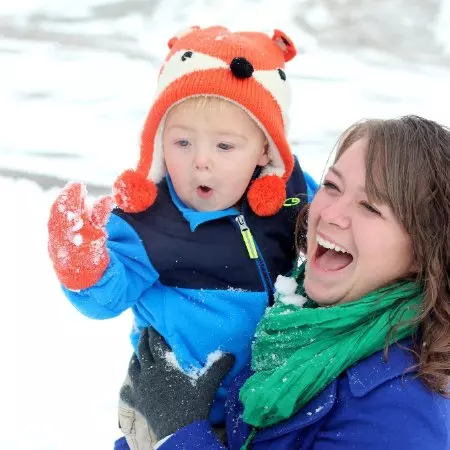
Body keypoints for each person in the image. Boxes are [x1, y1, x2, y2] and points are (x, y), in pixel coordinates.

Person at [47, 25, 317, 449]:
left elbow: (340, 230)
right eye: (182, 142)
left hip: (264, 402)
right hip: (170, 407)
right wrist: (85, 271)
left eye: (225, 146)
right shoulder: (147, 221)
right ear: (157, 143)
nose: (200, 163)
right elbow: (107, 298)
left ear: (266, 151)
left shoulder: (289, 196)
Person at [119, 115, 450, 449]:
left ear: (424, 249)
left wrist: (178, 434)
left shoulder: (401, 415)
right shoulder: (295, 321)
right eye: (332, 186)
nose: (330, 213)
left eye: (369, 206)